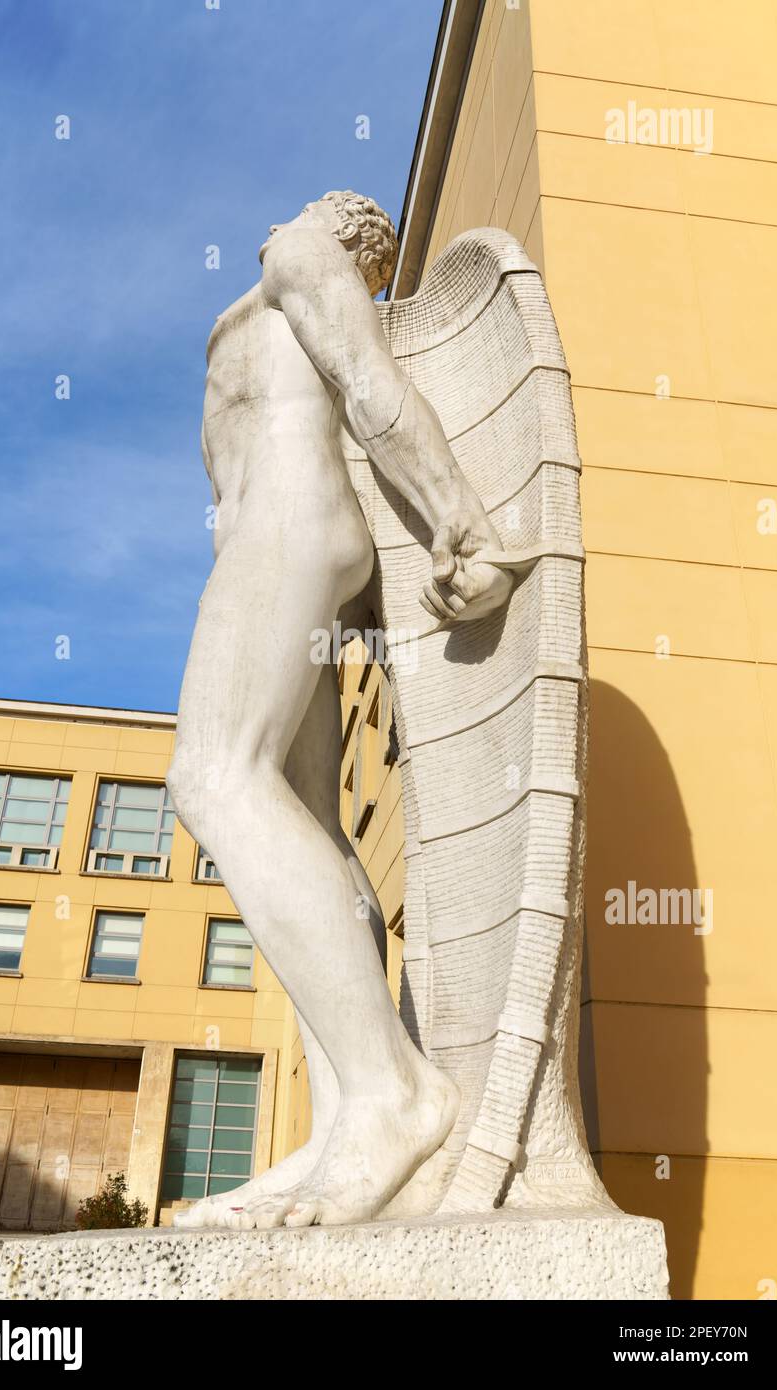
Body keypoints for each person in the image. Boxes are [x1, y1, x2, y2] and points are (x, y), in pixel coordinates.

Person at [170, 191, 511, 1229]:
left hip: (286, 535)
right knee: (304, 820)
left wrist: (463, 523)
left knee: (213, 775)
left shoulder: (300, 250)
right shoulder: (286, 284)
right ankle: (339, 1128)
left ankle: (391, 1091)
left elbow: (373, 386)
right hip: (289, 550)